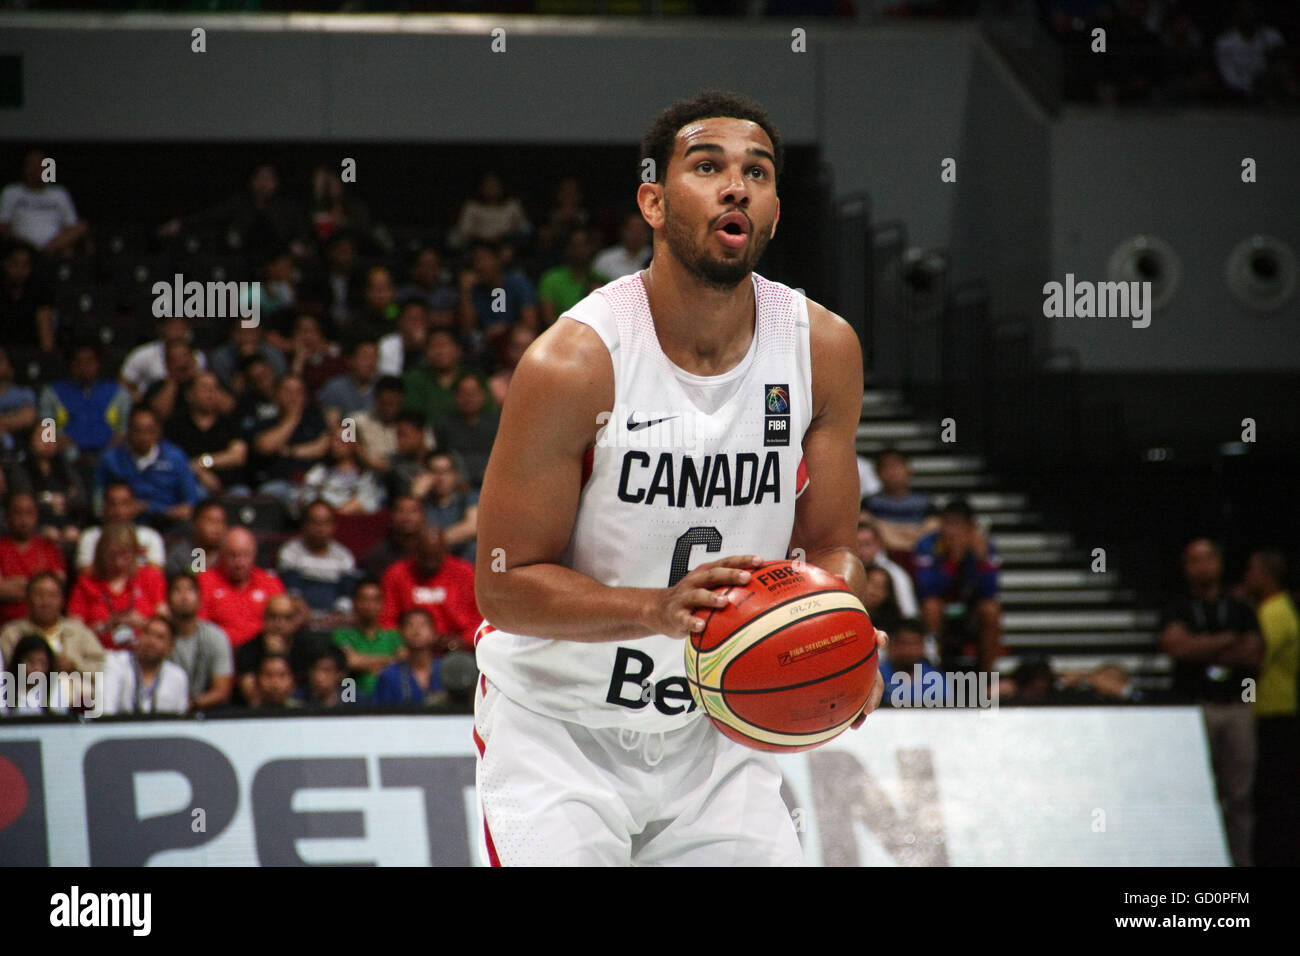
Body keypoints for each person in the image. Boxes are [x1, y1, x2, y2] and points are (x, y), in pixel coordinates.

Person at [471, 91, 887, 866]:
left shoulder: (823, 348)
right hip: (559, 732)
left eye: (756, 174)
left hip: (716, 736)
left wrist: (842, 620)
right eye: (708, 167)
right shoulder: (575, 362)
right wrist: (657, 611)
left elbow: (833, 547)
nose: (737, 185)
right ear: (654, 203)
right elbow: (502, 586)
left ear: (772, 213)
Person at [1158, 537, 1263, 867]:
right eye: (1194, 560)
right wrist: (1225, 641)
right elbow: (1176, 646)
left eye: (1207, 559)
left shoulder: (1239, 608)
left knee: (1239, 796)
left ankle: (1239, 860)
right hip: (1195, 706)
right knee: (1196, 791)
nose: (1201, 566)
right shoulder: (1177, 607)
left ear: (1219, 563)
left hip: (1235, 706)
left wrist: (1200, 646)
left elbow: (1254, 651)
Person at [1240, 548, 1299, 866]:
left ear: (1265, 575)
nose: (1246, 577)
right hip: (1273, 710)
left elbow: (1255, 656)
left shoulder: (1273, 612)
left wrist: (1220, 651)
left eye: (1251, 570)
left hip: (1274, 712)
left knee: (1273, 794)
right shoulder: (1273, 608)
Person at [914, 497, 1003, 673]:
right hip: (940, 605)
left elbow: (991, 590)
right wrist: (952, 562)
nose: (951, 531)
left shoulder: (984, 546)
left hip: (970, 608)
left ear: (971, 527)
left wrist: (981, 560)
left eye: (957, 524)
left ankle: (987, 675)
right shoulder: (927, 545)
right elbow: (926, 588)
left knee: (991, 610)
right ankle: (933, 671)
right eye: (947, 523)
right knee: (930, 606)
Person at [93, 405, 198, 531]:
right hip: (121, 525)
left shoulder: (175, 458)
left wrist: (154, 509)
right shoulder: (111, 460)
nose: (143, 436)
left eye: (149, 430)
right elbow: (98, 502)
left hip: (169, 526)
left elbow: (191, 505)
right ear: (128, 430)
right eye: (138, 430)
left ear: (159, 431)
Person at [66, 522, 167, 650]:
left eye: (125, 555)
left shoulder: (150, 577)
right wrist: (105, 626)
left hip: (143, 654)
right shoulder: (85, 583)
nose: (118, 562)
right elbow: (73, 633)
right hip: (98, 656)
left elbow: (166, 625)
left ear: (135, 553)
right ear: (101, 554)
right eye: (112, 555)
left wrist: (143, 624)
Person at [380, 527, 478, 651]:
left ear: (445, 551)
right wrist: (404, 640)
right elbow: (386, 620)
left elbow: (479, 620)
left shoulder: (466, 573)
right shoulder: (396, 575)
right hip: (408, 648)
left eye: (435, 556)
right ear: (415, 552)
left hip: (457, 649)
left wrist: (463, 641)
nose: (430, 563)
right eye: (425, 556)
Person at [38, 341, 132, 459]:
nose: (85, 367)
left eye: (90, 361)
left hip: (109, 455)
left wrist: (114, 447)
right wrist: (55, 441)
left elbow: (126, 428)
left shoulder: (118, 393)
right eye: (79, 362)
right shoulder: (52, 393)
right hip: (66, 457)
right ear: (71, 364)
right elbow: (45, 427)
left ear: (98, 363)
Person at [0, 571, 105, 676]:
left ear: (62, 601)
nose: (46, 602)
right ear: (27, 599)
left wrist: (75, 666)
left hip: (75, 689)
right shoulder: (11, 633)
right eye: (39, 595)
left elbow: (102, 666)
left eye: (52, 596)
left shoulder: (78, 631)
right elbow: (6, 670)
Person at [197, 526, 286, 649]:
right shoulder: (204, 581)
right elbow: (199, 628)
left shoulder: (270, 582)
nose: (239, 563)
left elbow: (283, 622)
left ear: (254, 554)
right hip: (218, 652)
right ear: (221, 554)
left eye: (245, 555)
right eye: (233, 555)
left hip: (261, 653)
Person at [164, 571, 234, 712]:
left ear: (200, 599)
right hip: (164, 710)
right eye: (177, 590)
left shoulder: (215, 636)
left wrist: (190, 704)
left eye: (190, 590)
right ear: (168, 600)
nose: (184, 596)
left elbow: (221, 691)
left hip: (206, 714)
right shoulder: (159, 635)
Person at [0, 149, 89, 259]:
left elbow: (71, 225)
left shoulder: (59, 193)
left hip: (54, 247)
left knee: (80, 230)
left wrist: (52, 245)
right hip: (22, 248)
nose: (35, 170)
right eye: (32, 165)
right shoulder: (11, 192)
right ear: (24, 168)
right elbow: (3, 225)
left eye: (40, 165)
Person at [277, 499, 360, 612]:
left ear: (334, 526)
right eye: (315, 522)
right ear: (304, 524)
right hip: (298, 617)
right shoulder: (290, 552)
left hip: (335, 619)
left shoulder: (344, 556)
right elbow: (292, 592)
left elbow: (346, 596)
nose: (320, 528)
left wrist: (337, 614)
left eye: (325, 522)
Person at [100, 615, 189, 716]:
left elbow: (180, 721)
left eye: (159, 637)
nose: (151, 641)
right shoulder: (116, 663)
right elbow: (105, 711)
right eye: (147, 633)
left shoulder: (177, 677)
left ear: (170, 648)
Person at [0, 491, 67, 624]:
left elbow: (57, 587)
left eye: (29, 513)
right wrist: (38, 586)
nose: (23, 519)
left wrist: (17, 583)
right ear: (7, 516)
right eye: (17, 513)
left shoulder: (49, 548)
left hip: (47, 625)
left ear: (36, 516)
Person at [331, 578, 401, 700]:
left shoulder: (393, 635)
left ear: (382, 604)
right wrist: (390, 660)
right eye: (364, 599)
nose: (369, 605)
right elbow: (350, 661)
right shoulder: (341, 634)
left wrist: (364, 663)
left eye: (375, 600)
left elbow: (402, 661)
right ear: (354, 602)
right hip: (352, 696)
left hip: (388, 698)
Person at [77, 482, 166, 572]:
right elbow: (85, 572)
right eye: (113, 504)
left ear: (133, 506)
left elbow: (155, 573)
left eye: (125, 504)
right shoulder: (90, 536)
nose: (119, 511)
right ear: (104, 507)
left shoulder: (151, 536)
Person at [372, 607, 445, 707]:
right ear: (401, 633)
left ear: (434, 633)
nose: (416, 631)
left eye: (423, 625)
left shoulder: (446, 671)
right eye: (410, 625)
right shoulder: (389, 676)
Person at [413, 451, 478, 563]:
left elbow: (472, 527)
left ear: (455, 475)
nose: (441, 478)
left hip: (464, 561)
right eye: (435, 472)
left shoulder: (468, 497)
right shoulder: (422, 502)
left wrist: (433, 543)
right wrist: (416, 496)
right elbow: (409, 534)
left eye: (446, 472)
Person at [538, 227, 608, 329]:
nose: (581, 250)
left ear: (592, 247)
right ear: (567, 248)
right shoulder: (551, 279)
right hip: (558, 336)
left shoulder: (603, 281)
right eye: (576, 245)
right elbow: (549, 320)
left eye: (585, 245)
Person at [878, 618, 945, 708]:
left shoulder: (935, 679)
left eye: (913, 644)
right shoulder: (877, 676)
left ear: (922, 646)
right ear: (891, 645)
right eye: (903, 643)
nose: (908, 650)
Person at [362, 494, 424, 580]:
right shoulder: (379, 556)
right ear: (392, 516)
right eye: (401, 511)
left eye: (413, 511)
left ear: (423, 516)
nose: (407, 518)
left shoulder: (433, 552)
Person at [164, 497, 226, 578]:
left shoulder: (229, 556)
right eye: (211, 521)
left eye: (221, 522)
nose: (217, 528)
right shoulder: (179, 556)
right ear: (195, 523)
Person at [592, 210, 653, 280]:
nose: (636, 234)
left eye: (640, 230)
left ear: (649, 232)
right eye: (632, 229)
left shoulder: (656, 258)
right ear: (622, 231)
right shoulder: (605, 259)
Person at [297, 644, 353, 708]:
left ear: (341, 674)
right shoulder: (298, 701)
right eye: (314, 669)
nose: (319, 677)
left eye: (327, 670)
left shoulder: (356, 702)